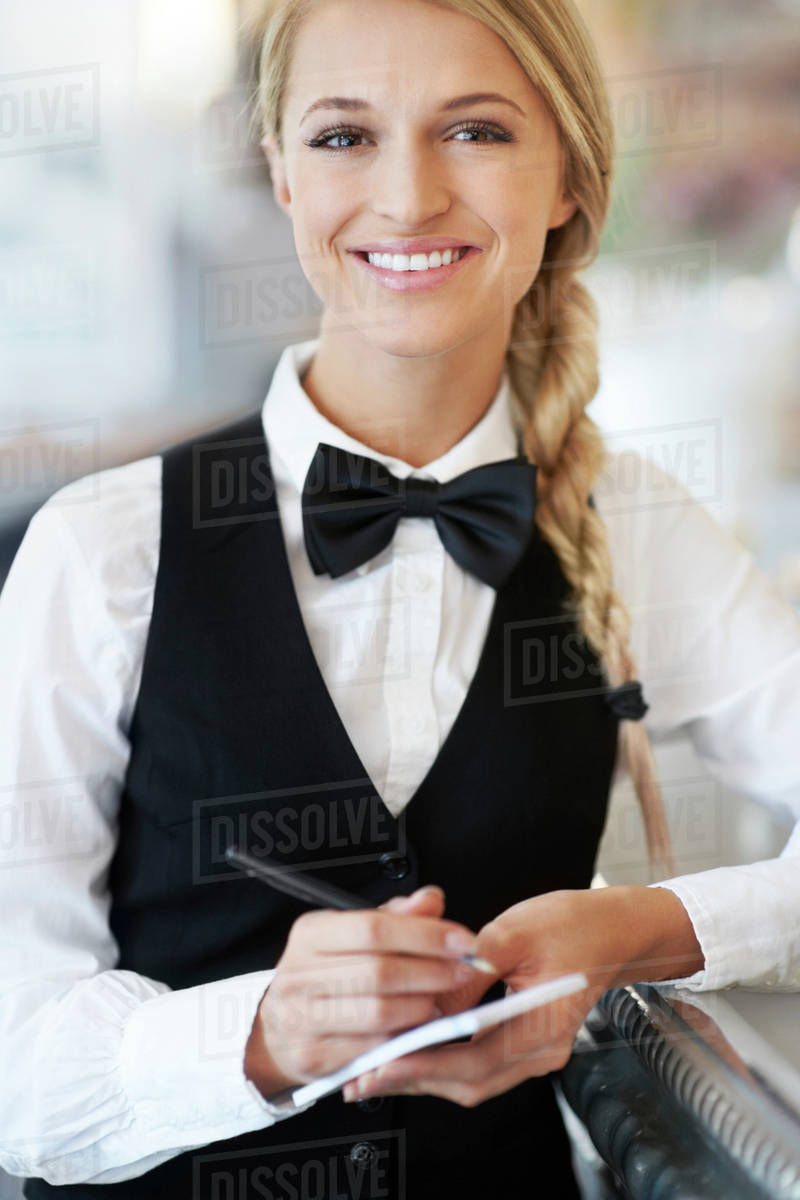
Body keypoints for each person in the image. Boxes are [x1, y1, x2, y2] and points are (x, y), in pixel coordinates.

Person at [1, 0, 798, 1196]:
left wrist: (635, 929)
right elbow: (14, 1076)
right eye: (341, 137)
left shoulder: (628, 523)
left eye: (473, 131)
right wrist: (263, 1034)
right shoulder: (99, 550)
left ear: (569, 178)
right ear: (277, 169)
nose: (408, 195)